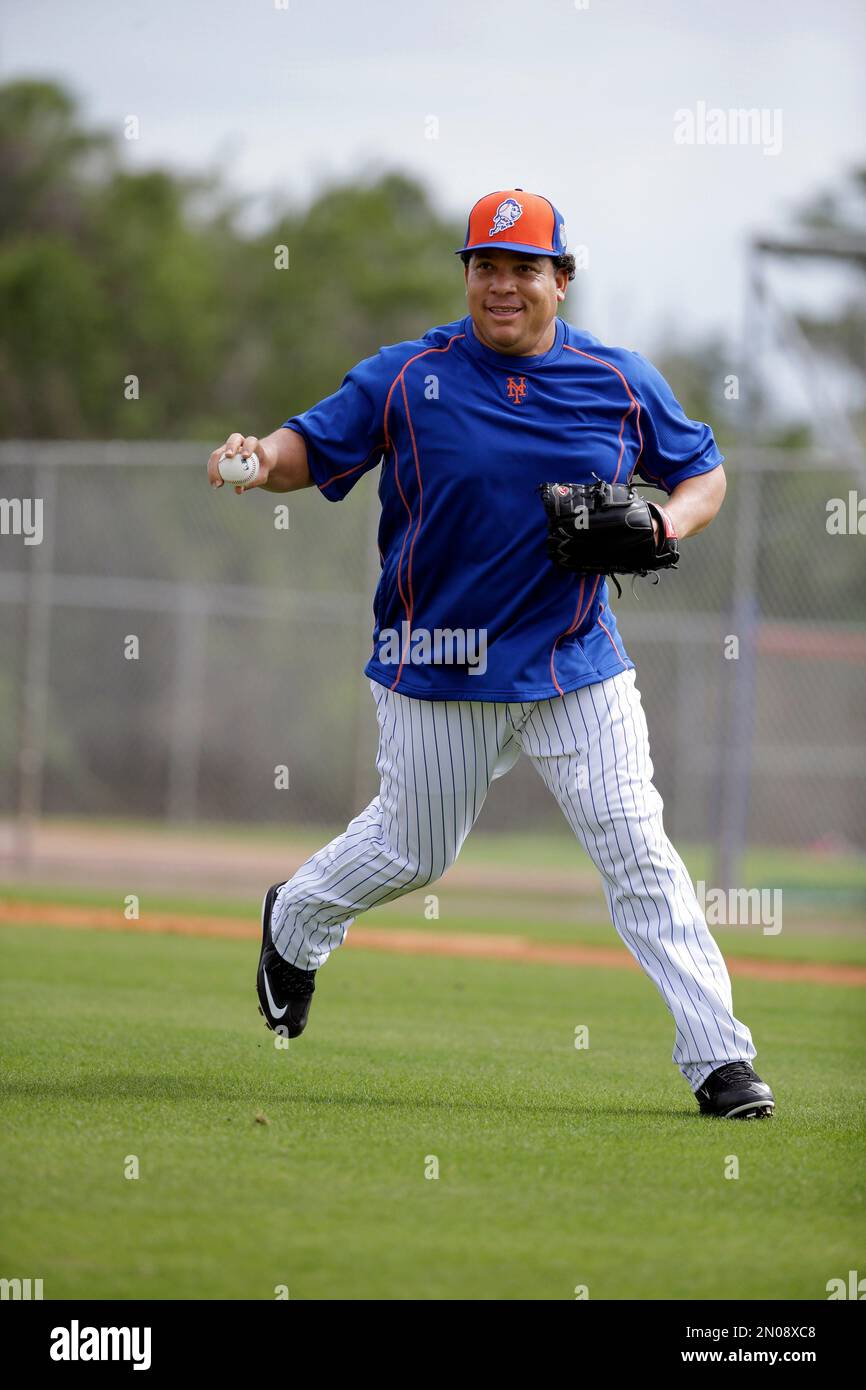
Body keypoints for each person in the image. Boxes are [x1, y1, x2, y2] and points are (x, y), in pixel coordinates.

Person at [207, 188, 775, 1120]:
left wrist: (667, 518)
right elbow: (308, 445)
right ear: (466, 275)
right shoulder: (410, 376)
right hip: (439, 660)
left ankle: (721, 1062)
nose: (502, 284)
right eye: (485, 266)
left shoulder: (619, 378)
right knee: (412, 851)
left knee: (639, 851)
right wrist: (258, 457)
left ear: (563, 280)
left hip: (573, 659)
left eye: (524, 268)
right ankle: (297, 917)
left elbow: (703, 472)